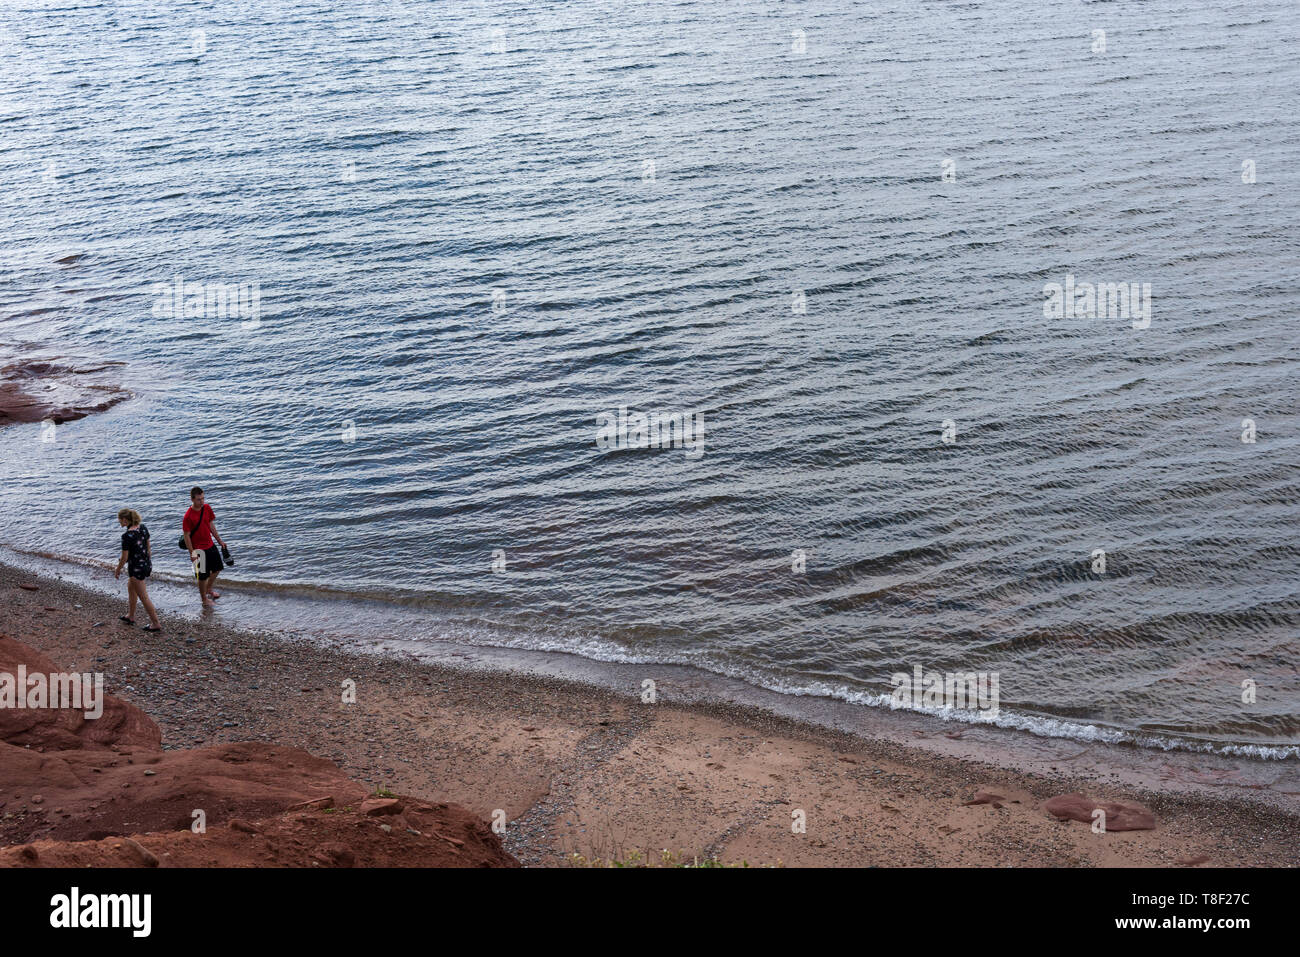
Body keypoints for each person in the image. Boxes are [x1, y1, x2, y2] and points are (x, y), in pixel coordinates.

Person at [181, 486, 230, 608]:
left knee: (218, 568)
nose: (202, 501)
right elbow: (186, 536)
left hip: (210, 545)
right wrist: (192, 553)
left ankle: (208, 589)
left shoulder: (207, 508)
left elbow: (211, 525)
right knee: (202, 576)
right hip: (198, 550)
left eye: (203, 498)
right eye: (199, 499)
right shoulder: (188, 516)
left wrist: (220, 541)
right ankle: (204, 599)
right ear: (192, 499)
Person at [114, 508, 162, 631]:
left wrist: (118, 569)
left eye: (120, 520)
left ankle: (155, 623)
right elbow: (148, 547)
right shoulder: (143, 528)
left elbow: (124, 557)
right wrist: (147, 562)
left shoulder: (126, 536)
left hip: (136, 569)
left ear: (125, 520)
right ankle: (130, 616)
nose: (119, 522)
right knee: (131, 587)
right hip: (146, 564)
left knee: (144, 597)